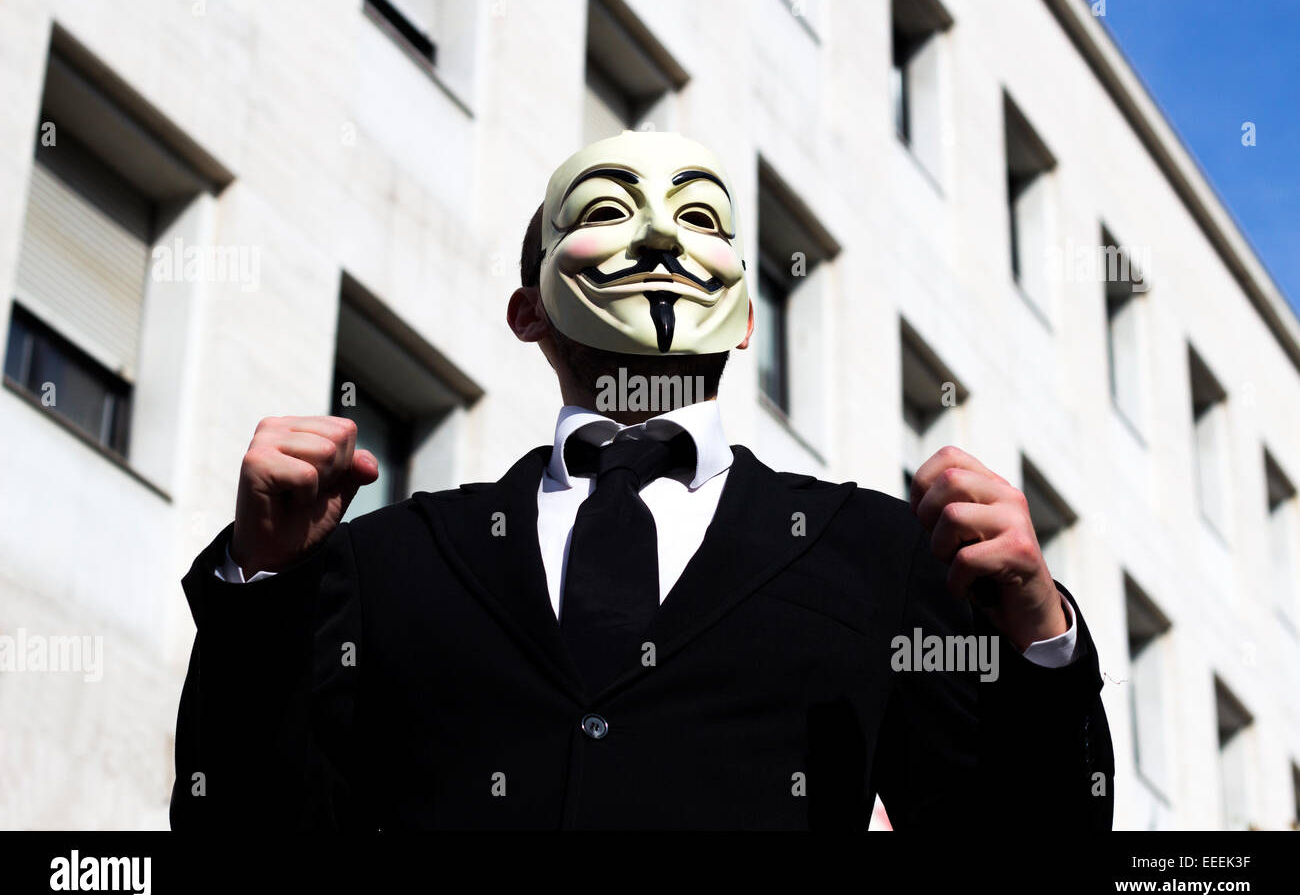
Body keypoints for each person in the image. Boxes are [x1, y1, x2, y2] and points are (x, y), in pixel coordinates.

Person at [171, 131, 1113, 830]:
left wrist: (1037, 635)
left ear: (746, 316)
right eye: (609, 212)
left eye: (700, 219)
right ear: (526, 310)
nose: (661, 240)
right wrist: (264, 587)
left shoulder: (876, 554)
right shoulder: (387, 562)